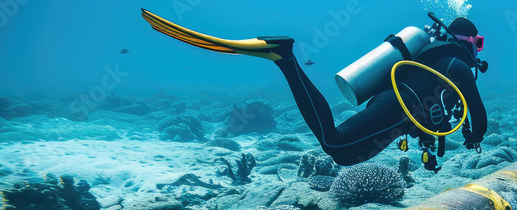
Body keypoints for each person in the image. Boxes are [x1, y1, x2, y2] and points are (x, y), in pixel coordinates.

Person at [141, 9, 488, 172]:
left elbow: (432, 116)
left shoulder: (436, 58)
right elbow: (478, 116)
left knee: (342, 151)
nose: (479, 51)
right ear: (468, 41)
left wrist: (429, 144)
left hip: (393, 105)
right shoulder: (457, 65)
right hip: (397, 108)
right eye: (479, 43)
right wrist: (474, 134)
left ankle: (283, 58)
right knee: (337, 147)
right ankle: (284, 56)